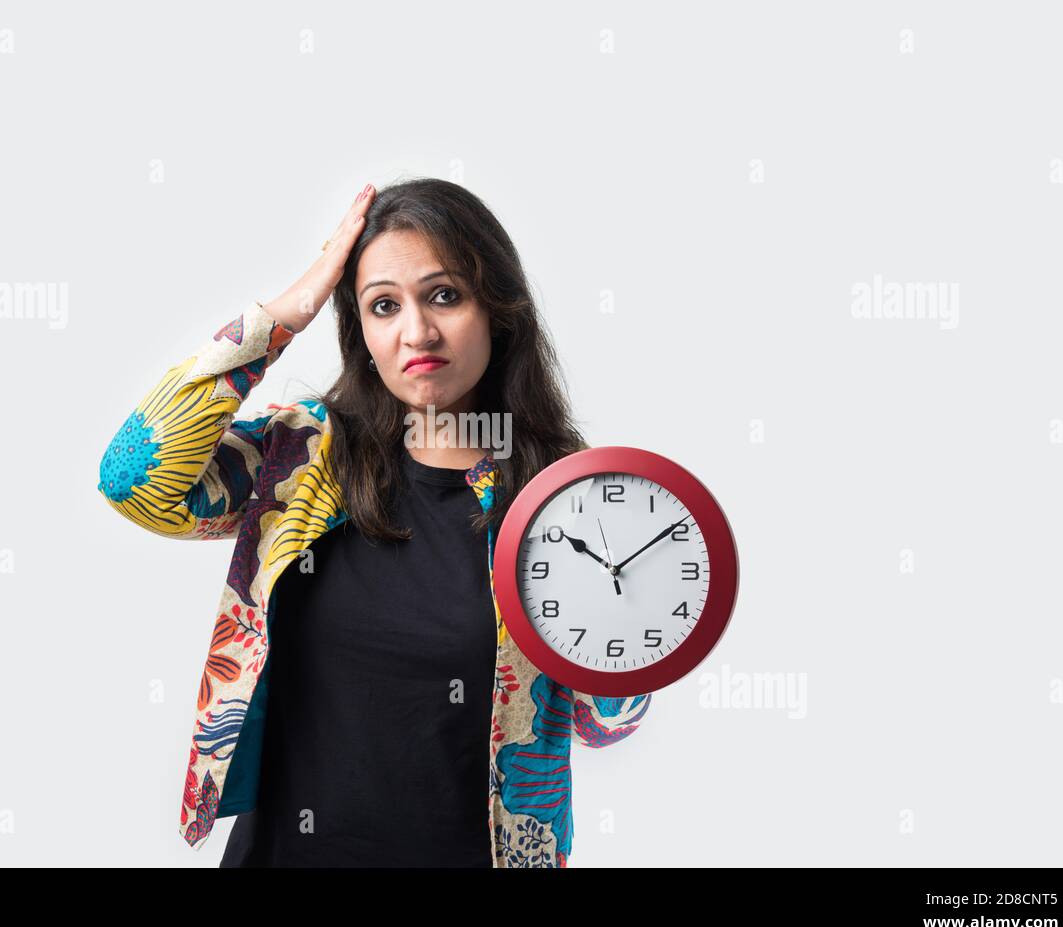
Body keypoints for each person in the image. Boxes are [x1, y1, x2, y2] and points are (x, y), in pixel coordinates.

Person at [96, 176, 652, 868]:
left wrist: (620, 594)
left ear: (497, 308)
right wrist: (287, 312)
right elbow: (131, 481)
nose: (416, 331)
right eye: (383, 306)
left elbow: (604, 724)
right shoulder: (301, 456)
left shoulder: (564, 496)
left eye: (444, 294)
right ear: (358, 330)